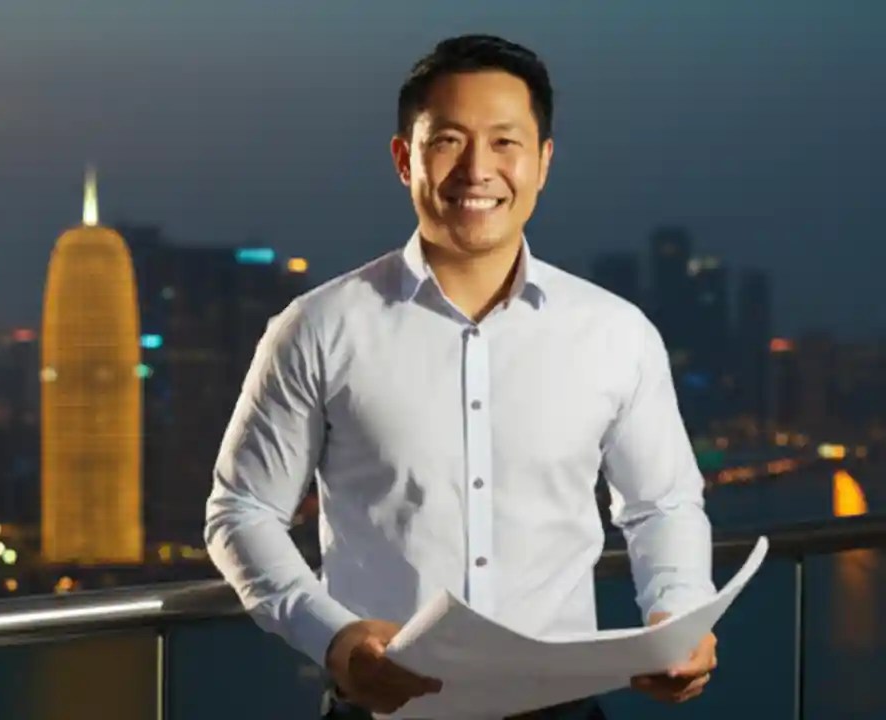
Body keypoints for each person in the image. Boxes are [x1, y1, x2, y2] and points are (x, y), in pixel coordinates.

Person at [204, 33, 720, 720]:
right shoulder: (320, 326)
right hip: (382, 707)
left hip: (563, 710)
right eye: (448, 140)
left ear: (543, 162)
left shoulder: (615, 333)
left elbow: (663, 503)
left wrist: (677, 614)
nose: (478, 169)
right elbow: (241, 510)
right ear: (403, 159)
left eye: (506, 142)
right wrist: (331, 639)